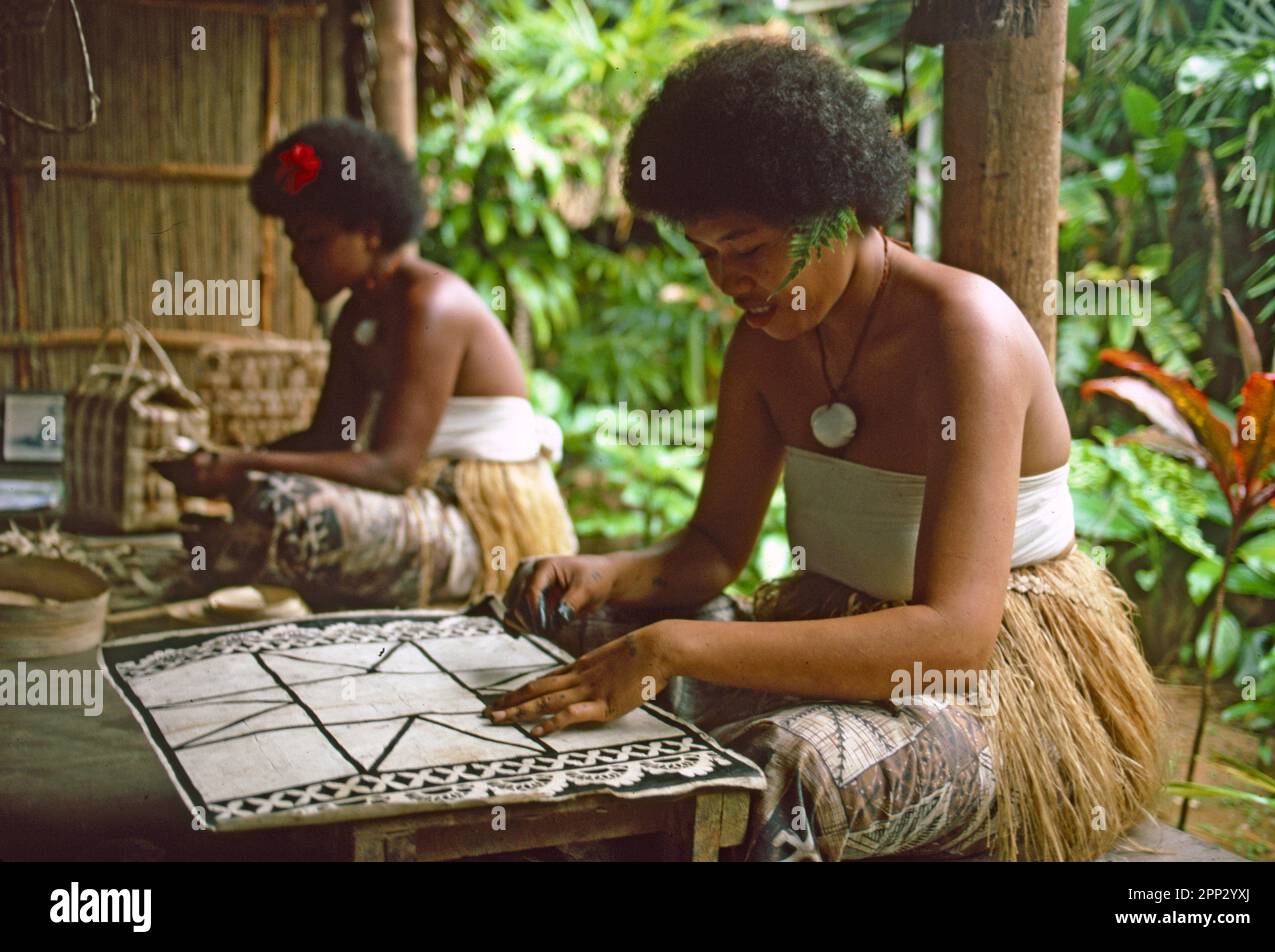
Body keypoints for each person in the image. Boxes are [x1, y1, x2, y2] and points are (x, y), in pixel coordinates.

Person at [487, 37, 1165, 862]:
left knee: (792, 768)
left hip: (983, 689)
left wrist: (672, 647)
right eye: (708, 255)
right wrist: (606, 576)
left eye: (747, 248)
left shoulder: (967, 332)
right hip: (834, 633)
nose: (727, 281)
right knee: (568, 646)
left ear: (840, 211)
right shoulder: (763, 343)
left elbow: (954, 638)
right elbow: (712, 549)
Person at [158, 118, 576, 610]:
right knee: (264, 493)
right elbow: (329, 439)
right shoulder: (358, 313)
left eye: (312, 240)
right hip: (417, 501)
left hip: (480, 517)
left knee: (284, 509)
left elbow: (390, 467)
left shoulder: (432, 304)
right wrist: (221, 463)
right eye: (293, 240)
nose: (297, 258)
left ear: (371, 234)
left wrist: (245, 464)